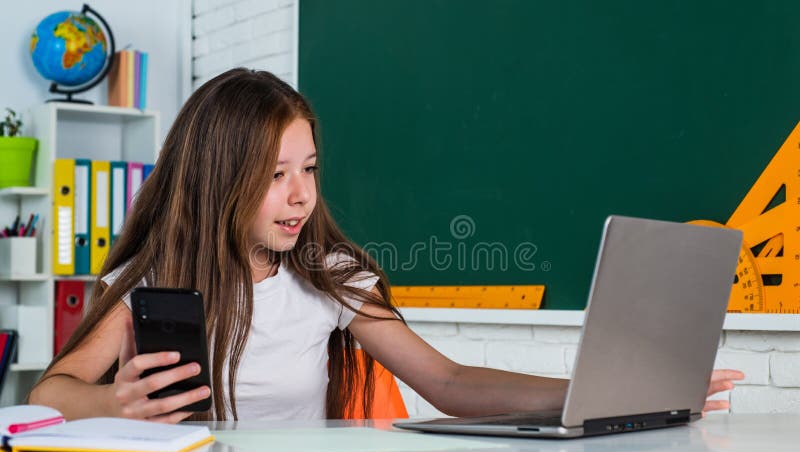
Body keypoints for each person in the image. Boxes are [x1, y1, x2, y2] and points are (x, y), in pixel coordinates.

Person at [29, 69, 744, 423]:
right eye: (275, 176)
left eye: (309, 170)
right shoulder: (152, 277)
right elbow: (49, 391)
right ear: (220, 178)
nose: (302, 196)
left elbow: (448, 382)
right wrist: (114, 403)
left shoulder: (327, 277)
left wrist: (590, 397)